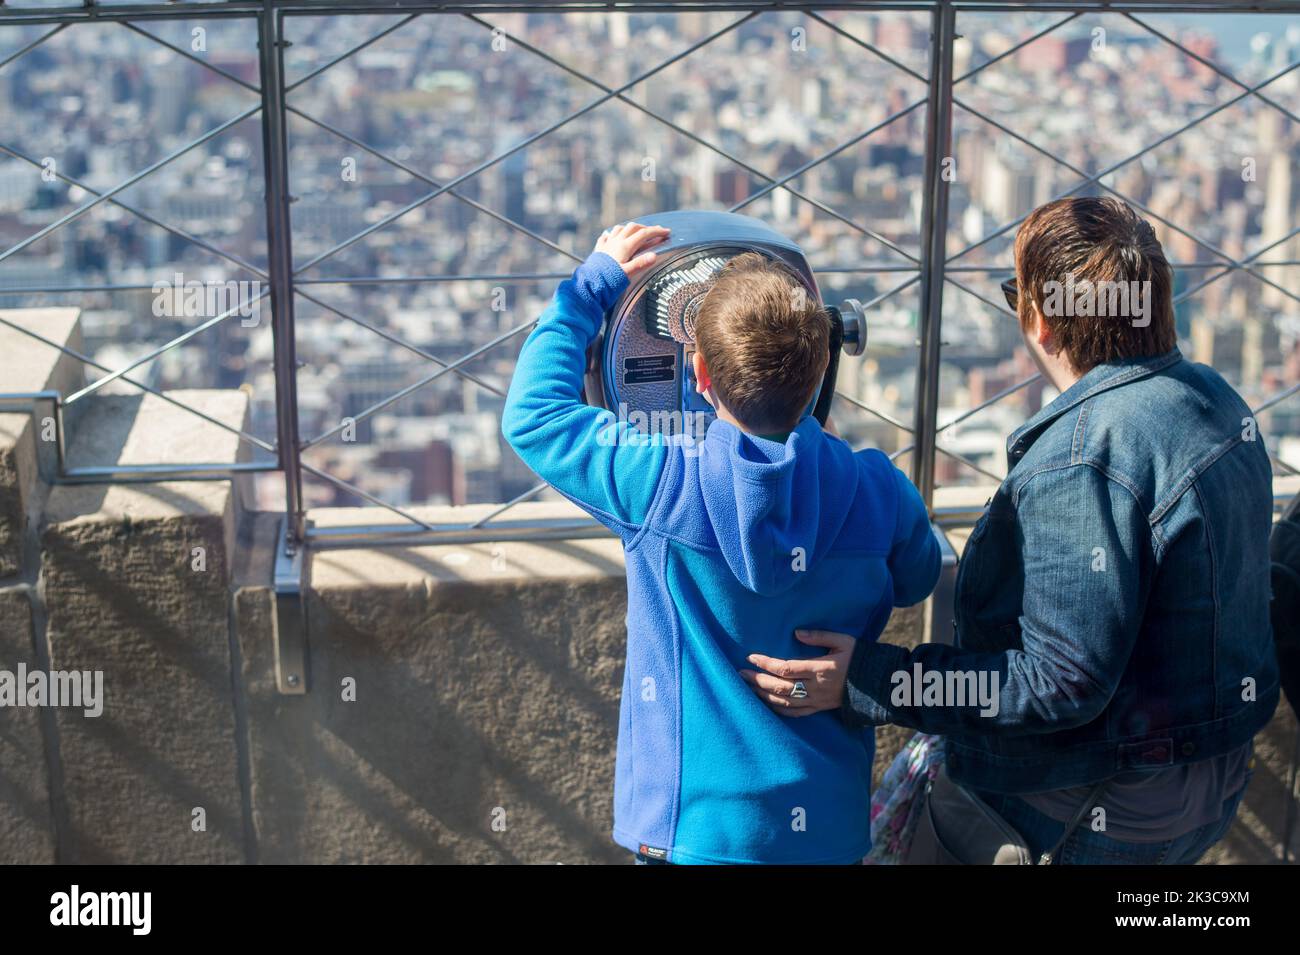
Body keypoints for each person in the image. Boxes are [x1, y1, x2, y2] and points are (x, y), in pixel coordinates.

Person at [742, 197, 1280, 864]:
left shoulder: (1084, 457)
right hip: (1205, 786)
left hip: (1089, 805)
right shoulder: (1219, 402)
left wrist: (874, 678)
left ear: (1041, 321)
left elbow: (1058, 683)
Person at [502, 222, 939, 864]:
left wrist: (591, 287)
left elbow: (533, 416)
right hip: (825, 833)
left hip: (690, 835)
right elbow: (919, 577)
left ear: (700, 372)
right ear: (826, 365)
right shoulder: (880, 490)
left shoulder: (659, 483)